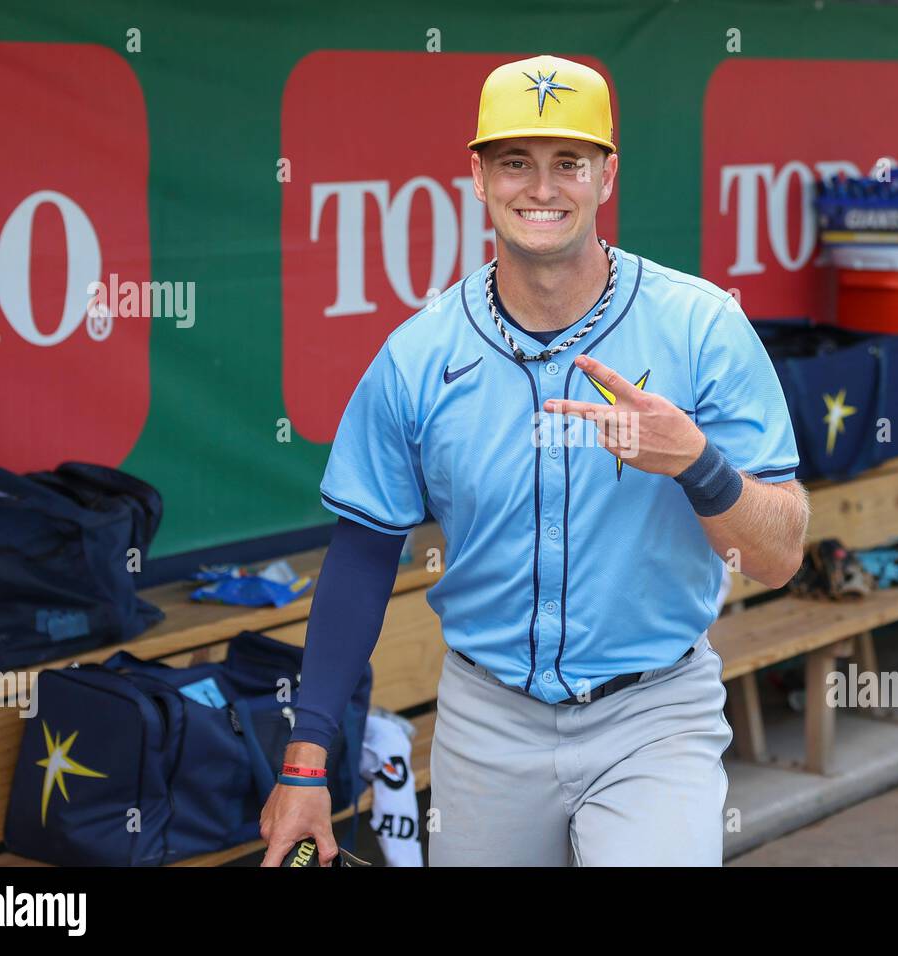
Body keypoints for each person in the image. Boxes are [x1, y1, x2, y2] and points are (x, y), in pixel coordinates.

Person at [260, 53, 808, 867]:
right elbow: (363, 556)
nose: (542, 189)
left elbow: (781, 554)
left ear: (607, 177)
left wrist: (698, 462)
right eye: (516, 162)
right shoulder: (419, 354)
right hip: (488, 721)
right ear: (478, 177)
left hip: (653, 711)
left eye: (569, 164)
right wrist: (306, 759)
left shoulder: (701, 327)